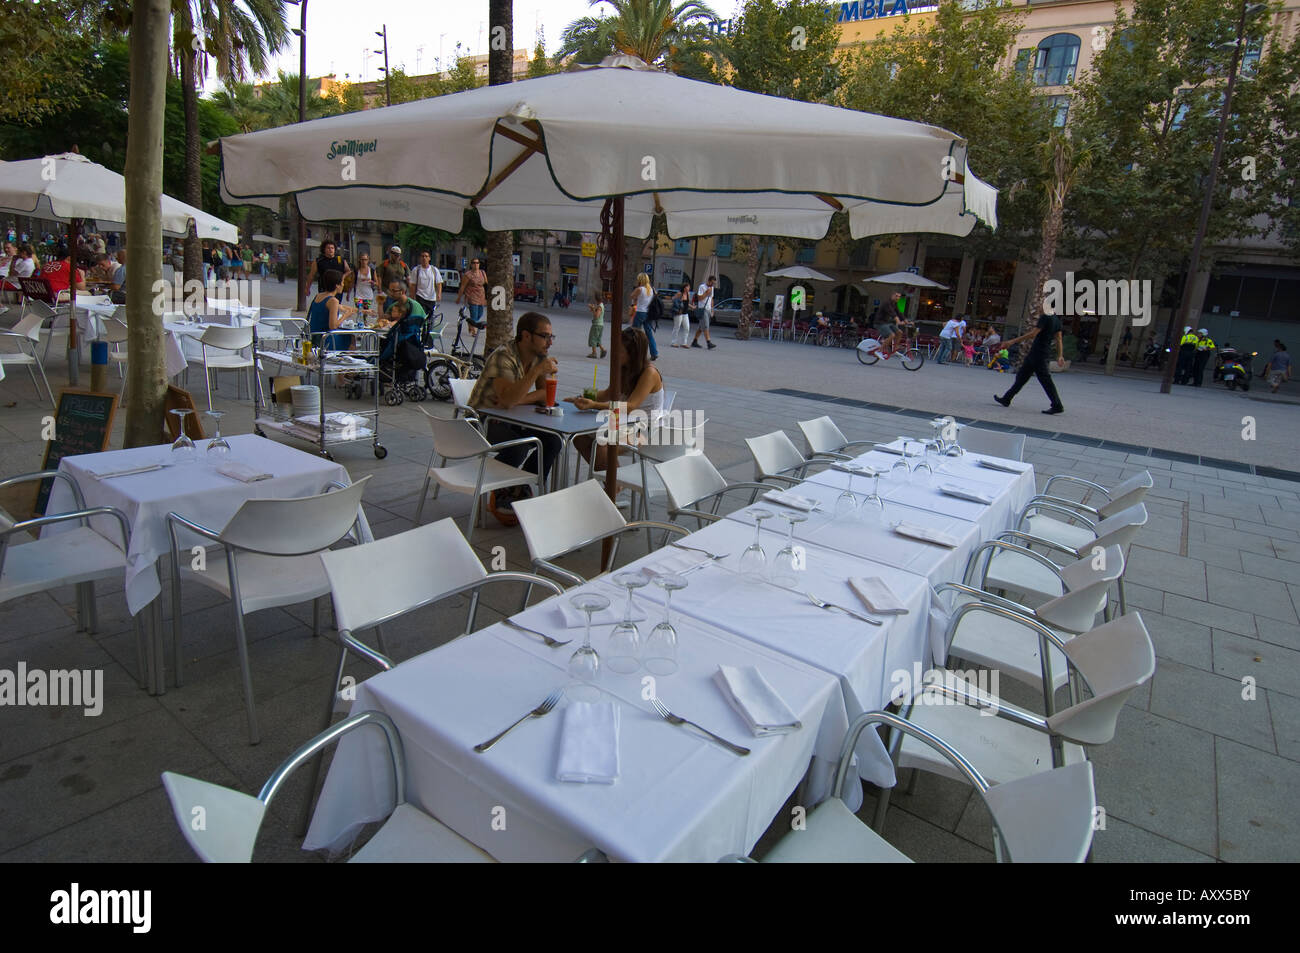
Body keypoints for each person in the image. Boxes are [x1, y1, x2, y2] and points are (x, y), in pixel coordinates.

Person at [468, 311, 563, 520]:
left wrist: (519, 398)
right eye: (545, 336)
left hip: (512, 417)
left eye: (551, 337)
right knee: (518, 446)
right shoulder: (504, 356)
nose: (549, 342)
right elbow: (509, 401)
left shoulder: (540, 357)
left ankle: (520, 487)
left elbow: (544, 395)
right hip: (481, 421)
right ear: (526, 336)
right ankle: (500, 489)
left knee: (554, 439)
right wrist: (534, 373)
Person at [570, 326, 665, 472]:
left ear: (632, 354)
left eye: (619, 351)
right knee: (579, 437)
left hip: (645, 432)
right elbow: (607, 394)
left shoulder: (649, 373)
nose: (615, 353)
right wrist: (579, 398)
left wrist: (594, 404)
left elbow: (630, 406)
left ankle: (613, 485)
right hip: (624, 425)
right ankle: (615, 480)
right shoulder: (624, 369)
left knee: (601, 441)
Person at [994, 312, 1065, 414]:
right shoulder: (1056, 320)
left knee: (1045, 380)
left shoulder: (1045, 317)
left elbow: (1033, 334)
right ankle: (1007, 398)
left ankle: (1057, 405)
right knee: (1022, 376)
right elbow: (1059, 339)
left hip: (1038, 353)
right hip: (1040, 353)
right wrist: (1060, 355)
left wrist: (1012, 341)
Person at [307, 270, 355, 350]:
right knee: (350, 336)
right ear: (337, 285)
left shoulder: (319, 296)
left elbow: (342, 307)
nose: (343, 285)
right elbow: (333, 326)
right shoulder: (333, 301)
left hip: (314, 337)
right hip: (325, 340)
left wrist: (364, 311)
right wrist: (345, 316)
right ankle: (349, 359)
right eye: (342, 282)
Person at [629, 271, 659, 360]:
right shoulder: (652, 289)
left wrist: (637, 290)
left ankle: (635, 352)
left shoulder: (640, 289)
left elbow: (632, 296)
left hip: (640, 312)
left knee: (635, 332)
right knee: (649, 333)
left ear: (640, 280)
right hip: (648, 313)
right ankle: (654, 352)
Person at [457, 257, 488, 336]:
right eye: (474, 263)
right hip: (471, 296)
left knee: (480, 313)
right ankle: (473, 330)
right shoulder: (468, 274)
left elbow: (486, 284)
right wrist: (459, 297)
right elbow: (463, 286)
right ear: (471, 264)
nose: (476, 264)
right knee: (474, 313)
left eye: (477, 263)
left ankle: (471, 323)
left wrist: (487, 297)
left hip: (481, 296)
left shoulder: (482, 273)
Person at [409, 249, 442, 320]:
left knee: (430, 317)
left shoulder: (434, 270)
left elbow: (439, 283)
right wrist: (412, 296)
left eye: (426, 256)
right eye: (422, 256)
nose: (424, 258)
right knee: (422, 315)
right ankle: (421, 329)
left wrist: (439, 294)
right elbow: (413, 285)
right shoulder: (416, 270)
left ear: (429, 258)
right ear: (420, 258)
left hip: (431, 297)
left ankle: (428, 329)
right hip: (420, 296)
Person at [375, 245, 409, 314]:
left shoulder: (403, 265)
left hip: (399, 291)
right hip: (387, 291)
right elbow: (379, 276)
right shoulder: (385, 264)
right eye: (394, 254)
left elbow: (408, 277)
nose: (396, 256)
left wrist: (408, 289)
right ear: (391, 254)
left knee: (399, 310)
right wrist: (379, 288)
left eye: (398, 255)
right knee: (388, 308)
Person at [690, 274, 717, 350]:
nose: (712, 284)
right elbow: (699, 298)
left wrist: (712, 309)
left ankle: (694, 341)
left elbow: (711, 299)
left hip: (708, 309)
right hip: (702, 308)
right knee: (705, 326)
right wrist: (706, 293)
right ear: (708, 281)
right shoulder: (702, 287)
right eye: (712, 282)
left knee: (701, 327)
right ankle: (708, 342)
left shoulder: (712, 288)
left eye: (714, 283)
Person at [352, 252, 377, 321]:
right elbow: (353, 282)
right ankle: (359, 322)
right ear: (359, 260)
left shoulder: (372, 270)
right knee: (359, 310)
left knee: (366, 311)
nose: (364, 261)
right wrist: (348, 293)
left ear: (368, 260)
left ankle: (365, 322)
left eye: (365, 259)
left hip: (368, 294)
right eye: (362, 259)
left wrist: (371, 282)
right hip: (358, 294)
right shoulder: (357, 270)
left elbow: (377, 283)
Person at [669, 282, 692, 348]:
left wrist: (692, 307)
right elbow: (673, 299)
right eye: (688, 287)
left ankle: (684, 343)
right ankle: (673, 342)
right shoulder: (679, 293)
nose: (689, 288)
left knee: (687, 327)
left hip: (685, 313)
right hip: (678, 312)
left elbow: (686, 303)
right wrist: (679, 300)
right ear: (684, 288)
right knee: (677, 327)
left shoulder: (688, 294)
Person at [586, 292, 606, 358]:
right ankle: (603, 349)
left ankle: (594, 353)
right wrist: (593, 309)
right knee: (598, 339)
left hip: (596, 325)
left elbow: (596, 316)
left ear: (596, 299)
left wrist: (593, 309)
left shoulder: (600, 306)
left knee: (593, 338)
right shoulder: (601, 305)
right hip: (601, 324)